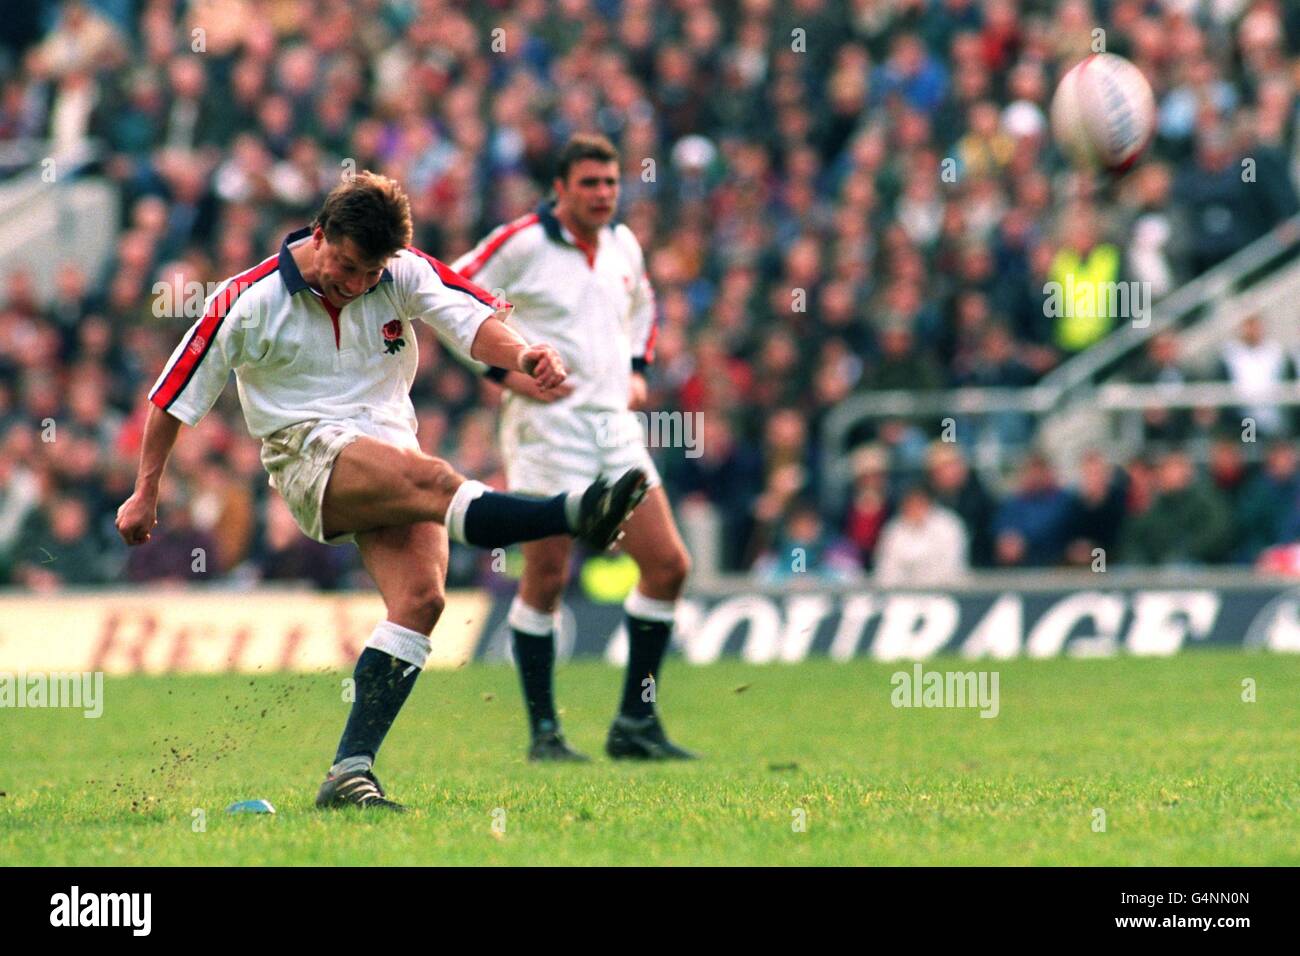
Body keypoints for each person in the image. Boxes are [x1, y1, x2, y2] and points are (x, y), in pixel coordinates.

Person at [115, 171, 649, 811]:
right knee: (434, 480)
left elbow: (472, 320)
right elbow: (172, 397)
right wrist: (145, 493)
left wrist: (524, 353)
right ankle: (574, 512)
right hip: (306, 453)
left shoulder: (402, 269)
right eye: (346, 265)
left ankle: (349, 771)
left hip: (389, 448)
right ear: (319, 234)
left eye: (371, 273)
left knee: (422, 600)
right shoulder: (245, 300)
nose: (359, 283)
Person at [451, 134, 696, 761]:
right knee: (548, 574)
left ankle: (635, 722)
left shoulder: (624, 244)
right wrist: (504, 376)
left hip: (614, 426)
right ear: (560, 188)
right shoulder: (521, 242)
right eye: (590, 184)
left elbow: (642, 306)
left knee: (668, 565)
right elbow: (451, 297)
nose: (603, 195)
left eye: (611, 183)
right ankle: (545, 733)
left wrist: (638, 365)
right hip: (547, 429)